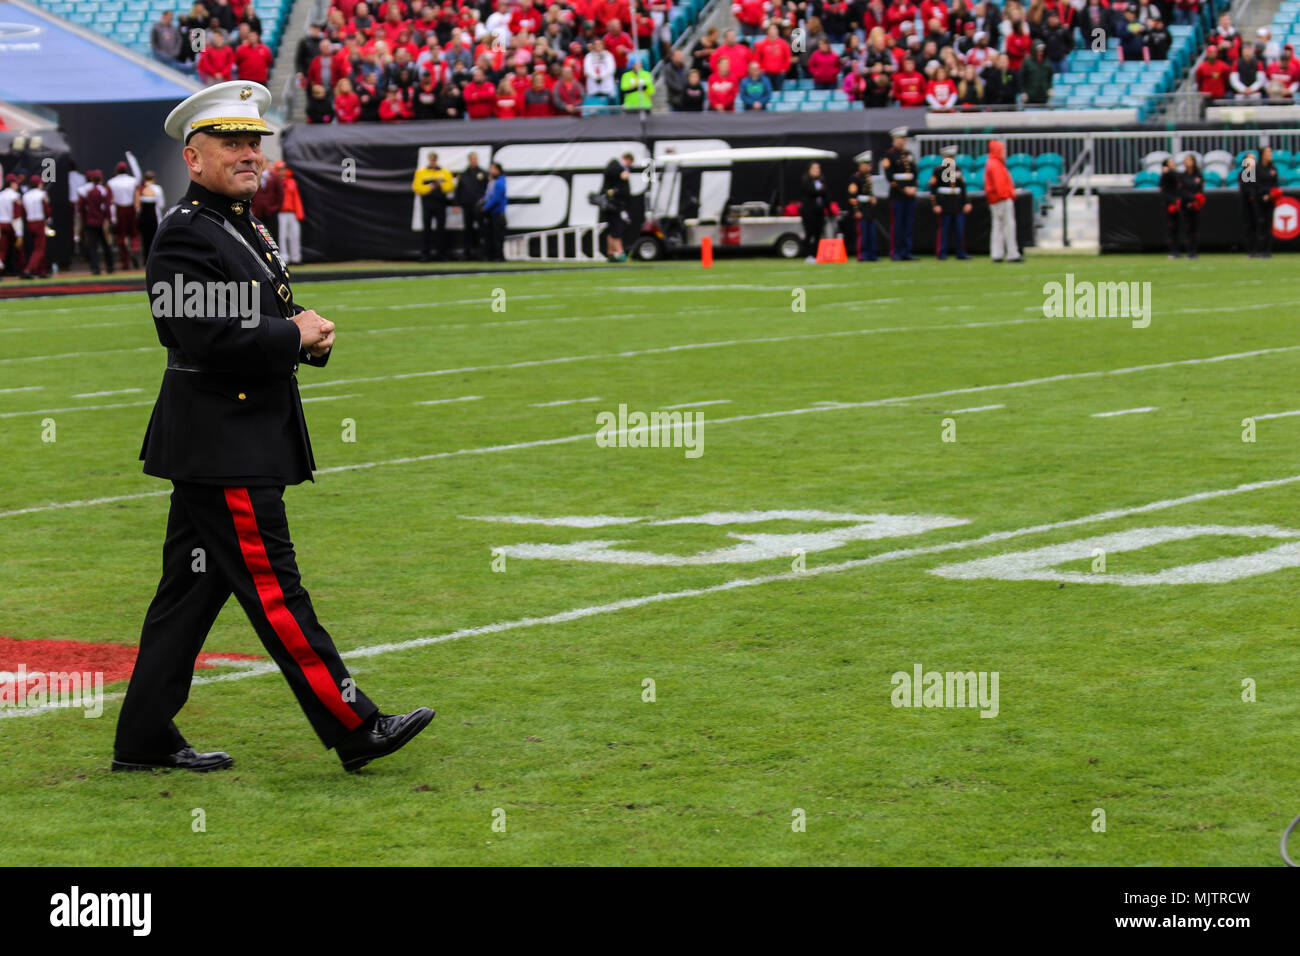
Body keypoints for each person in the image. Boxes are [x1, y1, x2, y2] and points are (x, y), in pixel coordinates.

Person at [113, 80, 433, 775]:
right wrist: (292, 334)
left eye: (254, 140)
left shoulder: (241, 225)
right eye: (230, 141)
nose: (248, 152)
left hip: (235, 436)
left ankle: (141, 738)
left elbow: (254, 323)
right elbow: (199, 334)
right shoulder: (185, 232)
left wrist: (304, 339)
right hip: (224, 443)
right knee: (275, 592)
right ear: (193, 159)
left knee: (186, 598)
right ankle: (356, 725)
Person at [882, 127, 918, 260]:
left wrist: (913, 187)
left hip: (910, 196)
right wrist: (904, 189)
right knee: (897, 225)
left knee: (908, 225)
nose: (903, 141)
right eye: (900, 139)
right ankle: (895, 252)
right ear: (894, 140)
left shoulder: (909, 154)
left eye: (904, 139)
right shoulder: (889, 155)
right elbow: (890, 176)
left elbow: (914, 173)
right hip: (897, 195)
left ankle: (906, 251)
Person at [930, 145, 971, 259]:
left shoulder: (958, 169)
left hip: (957, 204)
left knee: (959, 230)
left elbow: (962, 188)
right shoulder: (938, 170)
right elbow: (933, 189)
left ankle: (961, 252)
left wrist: (966, 202)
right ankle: (941, 252)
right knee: (943, 230)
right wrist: (935, 204)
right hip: (944, 204)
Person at [984, 139, 1022, 262]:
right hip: (1001, 199)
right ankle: (1012, 253)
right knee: (1008, 227)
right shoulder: (996, 164)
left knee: (997, 227)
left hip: (995, 200)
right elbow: (1000, 184)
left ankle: (997, 253)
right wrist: (1006, 195)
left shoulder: (992, 163)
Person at [412, 151, 453, 261]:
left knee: (441, 229)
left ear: (437, 160)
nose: (433, 162)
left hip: (440, 203)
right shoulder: (421, 173)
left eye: (434, 160)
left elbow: (450, 187)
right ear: (429, 160)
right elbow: (416, 188)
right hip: (427, 203)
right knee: (427, 230)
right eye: (431, 160)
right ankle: (425, 254)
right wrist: (430, 187)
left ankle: (442, 254)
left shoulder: (444, 172)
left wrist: (441, 185)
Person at [108, 155, 142, 270]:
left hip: (119, 210)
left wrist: (112, 217)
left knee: (121, 236)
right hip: (131, 208)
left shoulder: (111, 182)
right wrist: (132, 159)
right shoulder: (132, 181)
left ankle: (125, 261)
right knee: (134, 233)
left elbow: (110, 201)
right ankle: (135, 249)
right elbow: (138, 177)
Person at [454, 151, 489, 260]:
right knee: (467, 230)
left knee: (481, 229)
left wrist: (485, 202)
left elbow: (488, 190)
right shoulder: (464, 174)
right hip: (467, 205)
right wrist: (456, 204)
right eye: (472, 159)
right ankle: (467, 254)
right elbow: (458, 190)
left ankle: (482, 253)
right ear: (469, 160)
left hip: (479, 206)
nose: (474, 161)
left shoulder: (483, 173)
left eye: (476, 159)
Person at [78, 171, 114, 274]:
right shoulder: (103, 191)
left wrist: (84, 221)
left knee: (92, 247)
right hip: (102, 222)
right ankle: (110, 267)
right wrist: (109, 219)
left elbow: (81, 208)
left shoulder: (87, 192)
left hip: (90, 222)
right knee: (106, 245)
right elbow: (107, 207)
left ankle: (95, 268)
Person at [600, 152, 633, 261]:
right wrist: (620, 173)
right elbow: (609, 171)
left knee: (612, 229)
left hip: (616, 205)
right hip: (613, 206)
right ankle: (620, 253)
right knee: (616, 229)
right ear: (627, 159)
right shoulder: (615, 166)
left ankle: (611, 254)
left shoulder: (620, 169)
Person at [845, 155, 878, 262]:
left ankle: (872, 254)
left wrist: (872, 199)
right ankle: (862, 255)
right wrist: (856, 210)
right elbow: (852, 196)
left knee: (871, 234)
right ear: (860, 165)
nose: (868, 167)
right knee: (862, 235)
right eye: (865, 164)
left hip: (870, 210)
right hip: (862, 209)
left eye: (869, 164)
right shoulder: (855, 178)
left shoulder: (869, 178)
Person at [20, 175, 50, 278]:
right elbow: (47, 210)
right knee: (40, 248)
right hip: (39, 222)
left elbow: (23, 212)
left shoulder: (25, 195)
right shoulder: (42, 194)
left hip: (29, 222)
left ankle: (42, 271)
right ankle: (29, 269)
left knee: (37, 247)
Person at [800, 161, 829, 262]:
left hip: (819, 211)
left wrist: (828, 210)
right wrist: (821, 191)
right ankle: (808, 255)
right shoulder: (806, 180)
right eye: (814, 168)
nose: (817, 170)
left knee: (818, 233)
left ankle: (817, 255)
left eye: (818, 168)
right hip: (808, 211)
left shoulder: (821, 180)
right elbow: (812, 192)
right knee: (809, 233)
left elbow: (825, 195)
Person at [276, 160, 304, 264]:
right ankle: (284, 258)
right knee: (282, 236)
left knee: (295, 235)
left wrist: (299, 213)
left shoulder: (291, 182)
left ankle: (296, 258)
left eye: (283, 169)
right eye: (280, 170)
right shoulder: (275, 182)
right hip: (280, 213)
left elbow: (296, 198)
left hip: (292, 213)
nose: (282, 172)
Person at [1177, 154, 1205, 259]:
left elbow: (1200, 190)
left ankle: (1195, 251)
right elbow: (1181, 191)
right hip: (1186, 205)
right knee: (1187, 228)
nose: (1187, 162)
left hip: (1196, 206)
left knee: (1195, 229)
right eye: (1186, 160)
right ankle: (1189, 251)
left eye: (1189, 160)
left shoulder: (1198, 175)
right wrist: (1190, 199)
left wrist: (1196, 200)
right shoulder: (1182, 176)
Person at [481, 161, 508, 262]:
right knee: (492, 236)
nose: (490, 171)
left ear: (498, 170)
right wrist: (482, 200)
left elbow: (496, 198)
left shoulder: (500, 182)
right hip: (492, 213)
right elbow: (489, 195)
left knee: (498, 236)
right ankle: (493, 256)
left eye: (492, 168)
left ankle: (499, 256)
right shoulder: (493, 181)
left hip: (498, 213)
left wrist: (485, 207)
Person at [136, 171, 166, 259]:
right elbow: (161, 204)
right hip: (155, 217)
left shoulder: (140, 189)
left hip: (143, 217)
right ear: (154, 179)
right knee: (155, 239)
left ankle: (146, 259)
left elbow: (137, 206)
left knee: (145, 240)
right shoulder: (157, 189)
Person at [1256, 146, 1279, 258]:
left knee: (1269, 225)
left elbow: (1275, 184)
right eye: (1268, 152)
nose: (1270, 155)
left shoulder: (1273, 168)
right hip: (1258, 201)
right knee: (1260, 224)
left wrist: (1271, 195)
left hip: (1270, 200)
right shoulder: (1255, 168)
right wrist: (1262, 194)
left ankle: (1268, 251)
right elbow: (1253, 185)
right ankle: (1259, 250)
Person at [0, 174, 22, 279]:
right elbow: (16, 215)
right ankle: (18, 270)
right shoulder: (14, 196)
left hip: (1, 223)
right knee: (18, 248)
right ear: (12, 183)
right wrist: (19, 233)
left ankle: (5, 269)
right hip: (9, 224)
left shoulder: (1, 195)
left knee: (2, 250)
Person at [1159, 157, 1181, 258]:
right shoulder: (1166, 176)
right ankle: (1173, 251)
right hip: (1171, 204)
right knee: (1171, 228)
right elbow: (1164, 191)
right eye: (1170, 163)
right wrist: (1173, 201)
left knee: (1178, 228)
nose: (1173, 164)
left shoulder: (1177, 174)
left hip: (1178, 203)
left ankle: (1178, 251)